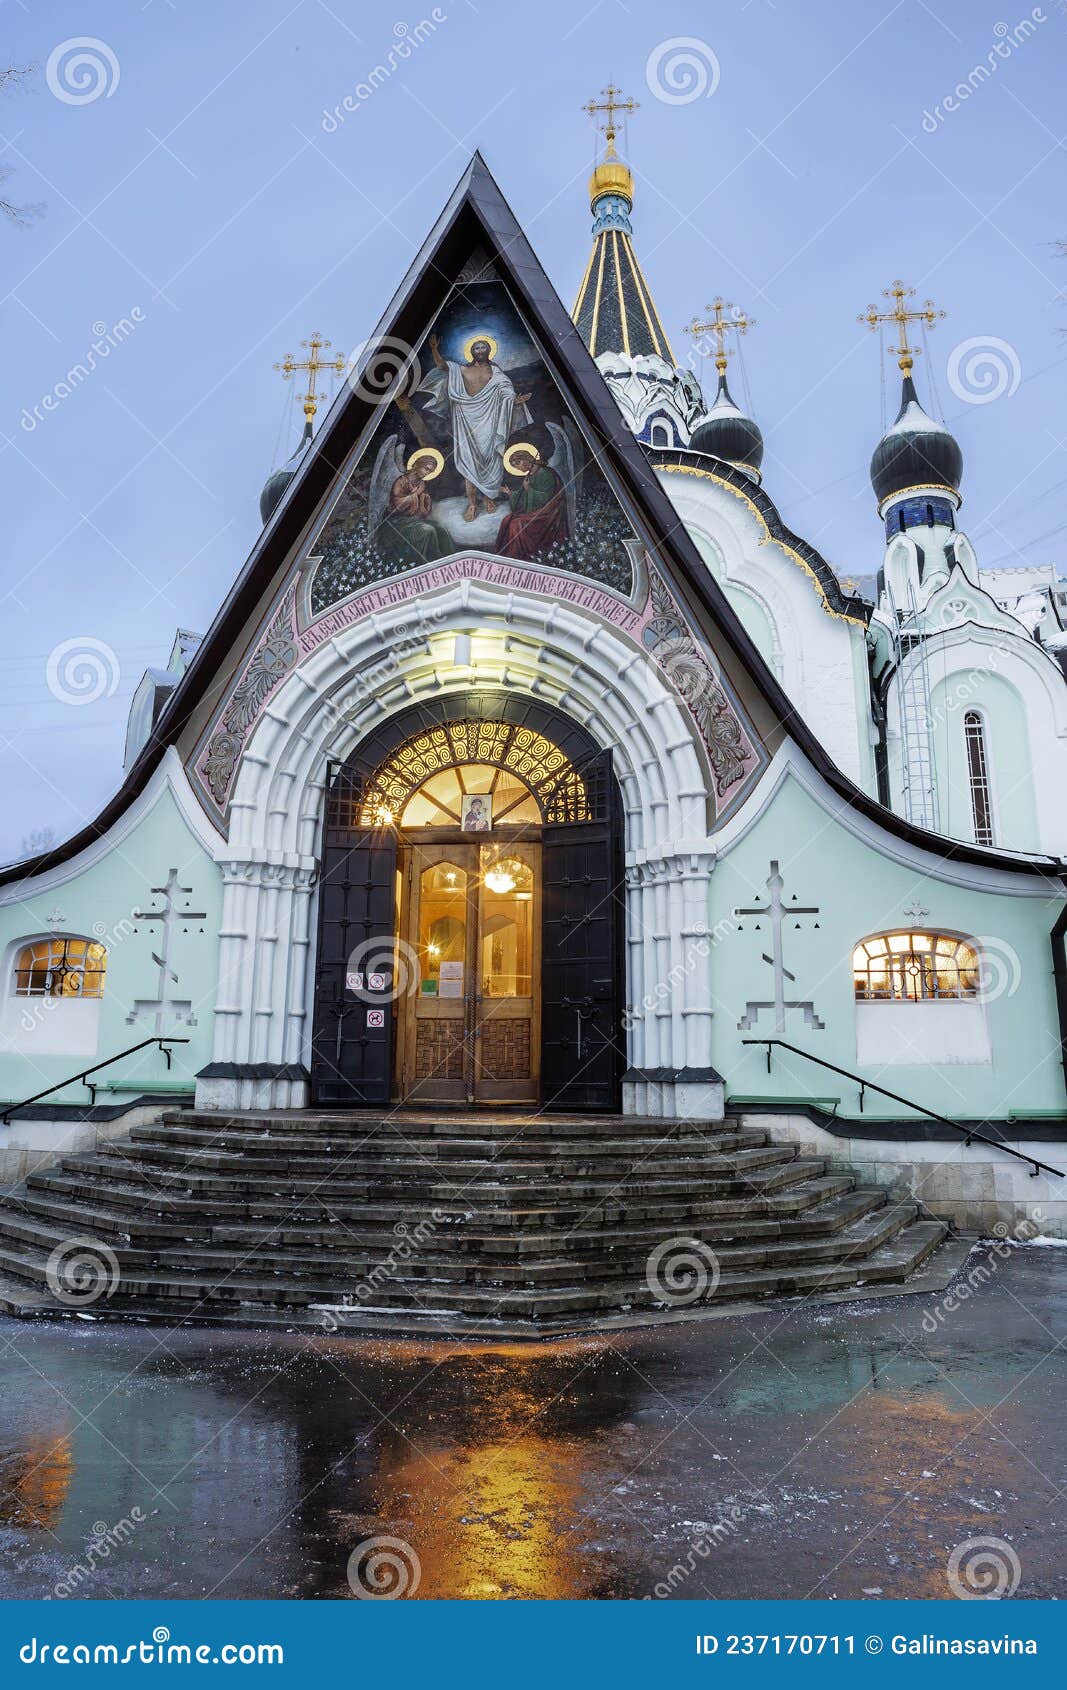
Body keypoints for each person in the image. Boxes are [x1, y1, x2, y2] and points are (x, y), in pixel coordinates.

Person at [418, 336, 532, 522]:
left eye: (483, 347)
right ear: (472, 352)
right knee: (469, 465)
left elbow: (506, 393)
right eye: (476, 347)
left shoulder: (495, 372)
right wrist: (433, 349)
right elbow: (442, 367)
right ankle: (472, 503)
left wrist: (515, 400)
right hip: (466, 421)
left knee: (490, 463)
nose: (479, 350)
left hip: (490, 423)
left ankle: (488, 498)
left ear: (488, 351)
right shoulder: (462, 369)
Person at [495, 445, 569, 560]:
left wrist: (528, 489)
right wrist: (511, 494)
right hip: (536, 511)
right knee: (506, 520)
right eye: (515, 466)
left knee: (516, 524)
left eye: (517, 463)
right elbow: (523, 499)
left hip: (548, 514)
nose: (519, 469)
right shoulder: (530, 475)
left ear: (525, 459)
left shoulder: (546, 474)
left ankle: (516, 557)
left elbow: (545, 499)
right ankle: (503, 556)